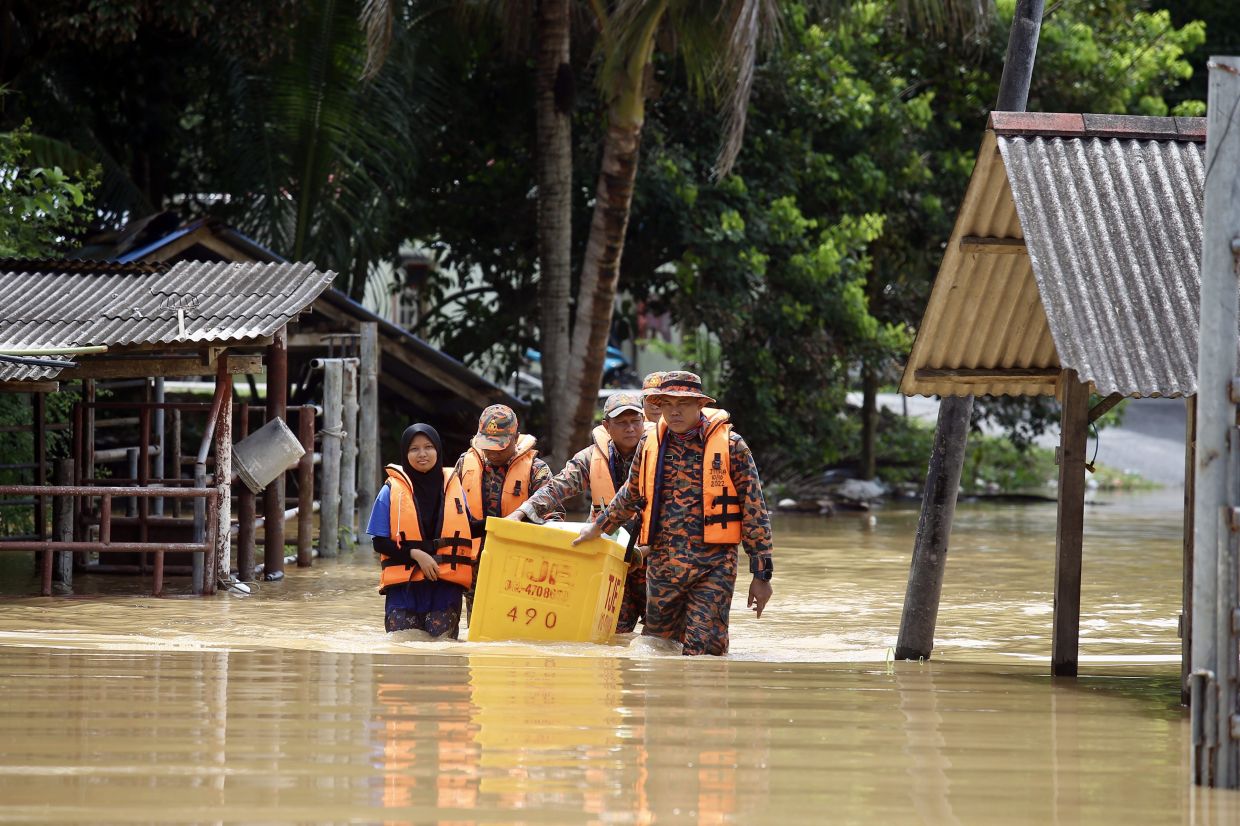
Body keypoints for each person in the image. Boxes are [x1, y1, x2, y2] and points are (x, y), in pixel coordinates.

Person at [575, 372, 773, 656]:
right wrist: (597, 528)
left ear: (700, 405)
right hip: (663, 566)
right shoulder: (650, 443)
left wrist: (762, 575)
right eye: (666, 404)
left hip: (713, 566)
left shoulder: (732, 446)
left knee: (703, 653)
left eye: (683, 403)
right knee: (656, 650)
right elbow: (631, 493)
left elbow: (754, 510)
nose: (674, 411)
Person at [507, 391, 649, 632]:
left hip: (653, 561)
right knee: (611, 637)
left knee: (661, 641)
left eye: (635, 421)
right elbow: (557, 487)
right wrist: (521, 512)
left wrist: (648, 549)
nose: (630, 428)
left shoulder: (658, 455)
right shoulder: (590, 458)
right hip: (609, 560)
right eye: (622, 423)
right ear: (606, 426)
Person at [366, 424, 473, 638]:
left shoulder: (454, 488)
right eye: (414, 449)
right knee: (402, 647)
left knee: (442, 650)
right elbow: (379, 542)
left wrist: (513, 522)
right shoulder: (389, 491)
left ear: (438, 450)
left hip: (444, 585)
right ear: (405, 453)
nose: (422, 454)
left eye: (428, 447)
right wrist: (415, 554)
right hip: (404, 587)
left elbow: (471, 527)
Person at [454, 404, 559, 613]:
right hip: (474, 568)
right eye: (488, 444)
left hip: (519, 572)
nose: (493, 452)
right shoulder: (465, 465)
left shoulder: (537, 470)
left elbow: (554, 519)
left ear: (515, 437)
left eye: (500, 445)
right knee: (475, 638)